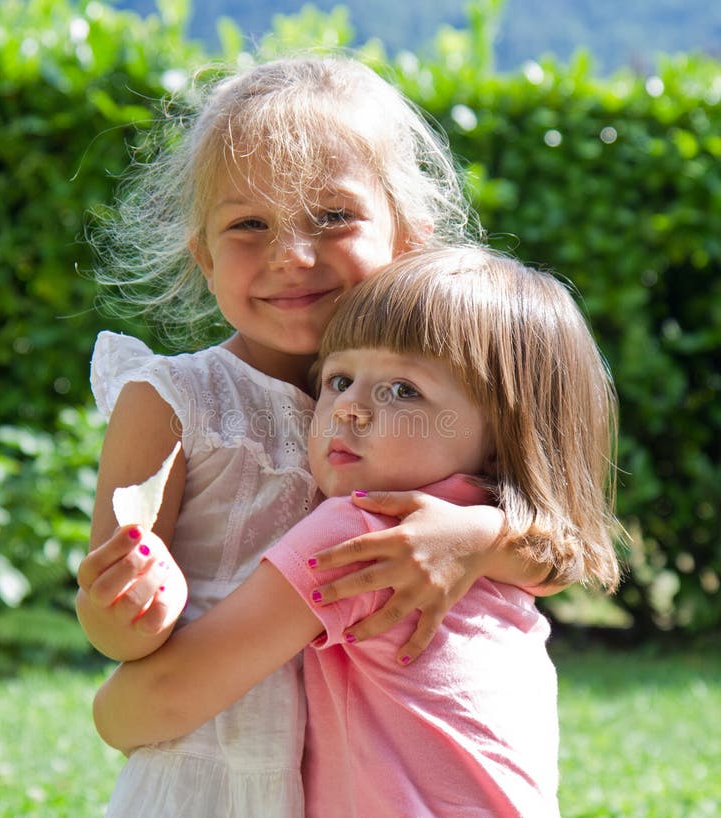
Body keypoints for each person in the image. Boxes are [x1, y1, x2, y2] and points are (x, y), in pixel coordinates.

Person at [76, 56, 569, 817]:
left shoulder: (435, 399)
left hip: (359, 771)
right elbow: (112, 619)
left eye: (332, 216)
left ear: (409, 236)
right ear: (203, 255)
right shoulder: (174, 401)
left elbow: (561, 548)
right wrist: (130, 610)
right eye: (249, 224)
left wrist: (472, 537)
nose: (291, 256)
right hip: (217, 762)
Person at [93, 245, 621, 817]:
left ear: (502, 437)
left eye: (404, 390)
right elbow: (569, 555)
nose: (349, 408)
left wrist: (108, 713)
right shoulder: (507, 535)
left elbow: (165, 697)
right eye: (339, 378)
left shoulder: (364, 531)